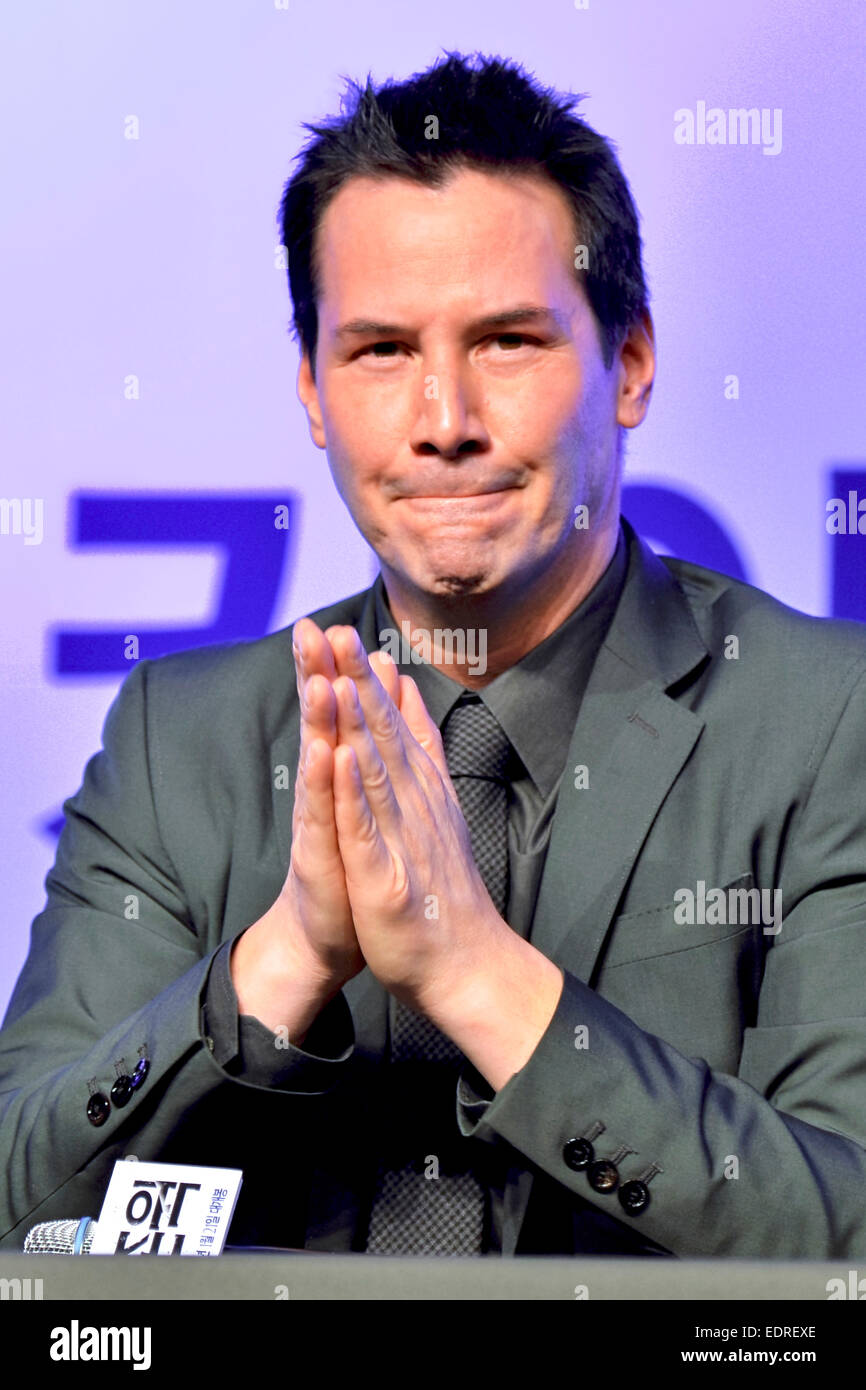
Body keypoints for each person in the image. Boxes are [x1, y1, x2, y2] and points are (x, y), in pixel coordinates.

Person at [2, 50, 866, 1259]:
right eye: (380, 351)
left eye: (507, 341)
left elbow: (847, 1233)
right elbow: (19, 1218)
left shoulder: (826, 721)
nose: (443, 420)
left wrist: (474, 972)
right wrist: (283, 955)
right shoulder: (173, 739)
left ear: (627, 364)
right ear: (311, 389)